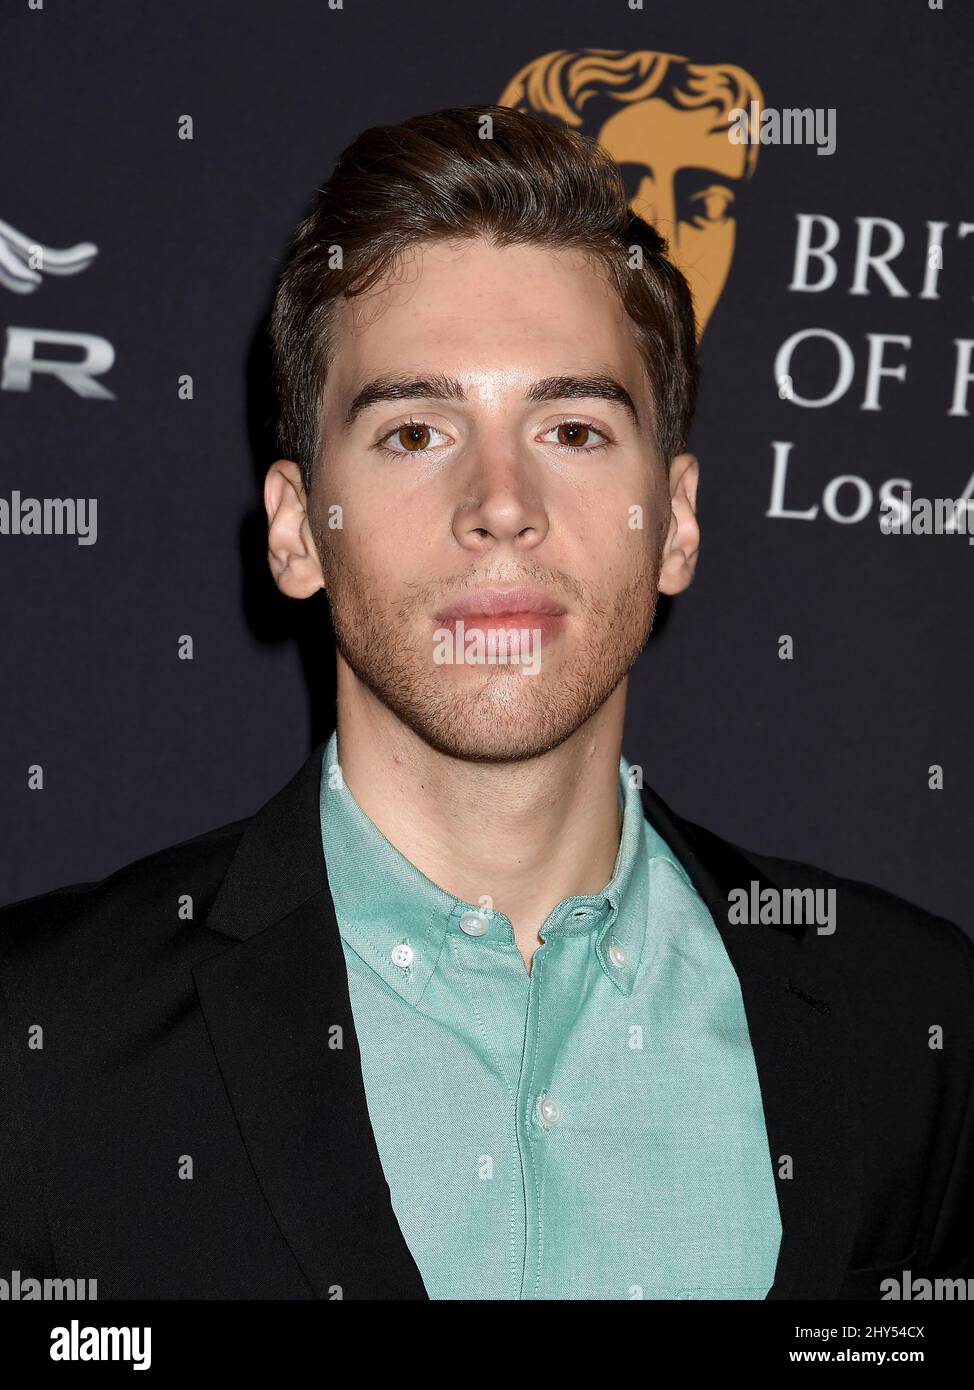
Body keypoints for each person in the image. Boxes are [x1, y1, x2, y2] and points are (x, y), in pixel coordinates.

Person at [1, 105, 971, 1302]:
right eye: (415, 431)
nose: (499, 502)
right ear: (299, 529)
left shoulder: (910, 1032)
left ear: (672, 522)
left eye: (568, 427)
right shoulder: (38, 1045)